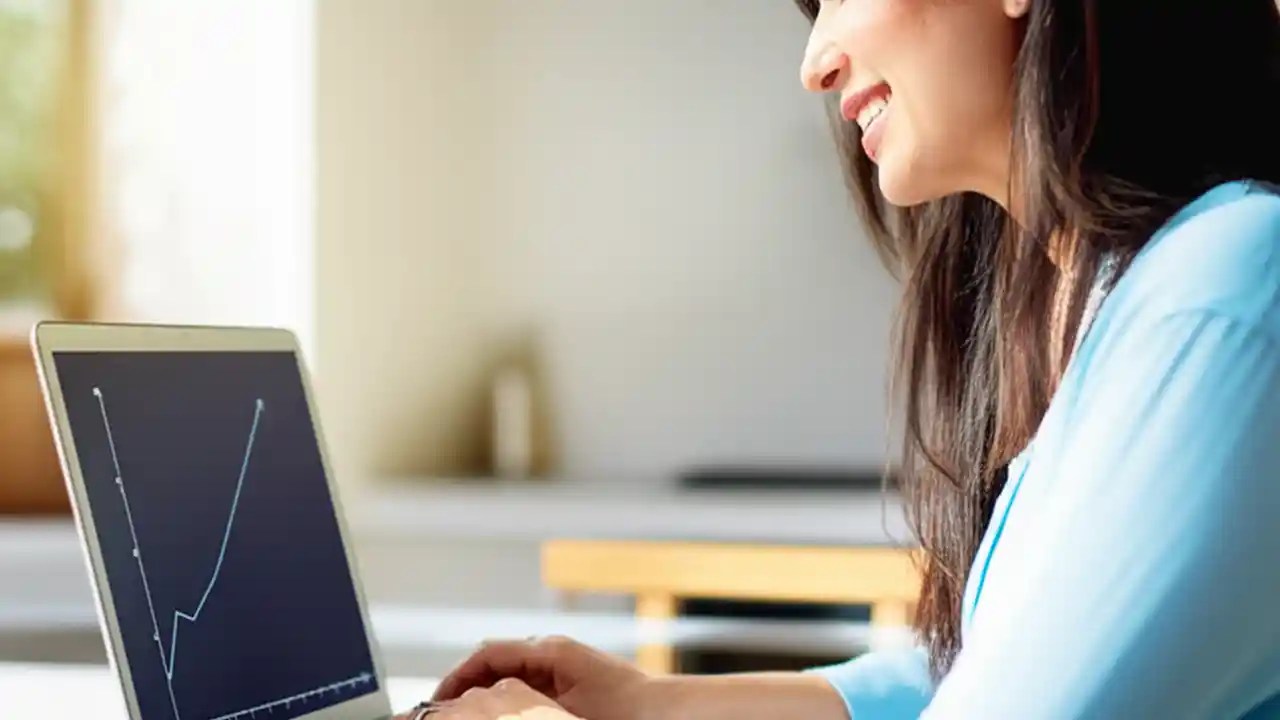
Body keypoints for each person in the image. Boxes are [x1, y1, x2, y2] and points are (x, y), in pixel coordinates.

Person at [398, 0, 1280, 717]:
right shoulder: (1125, 302)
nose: (815, 62)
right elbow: (992, 672)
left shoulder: (1223, 291)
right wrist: (656, 704)